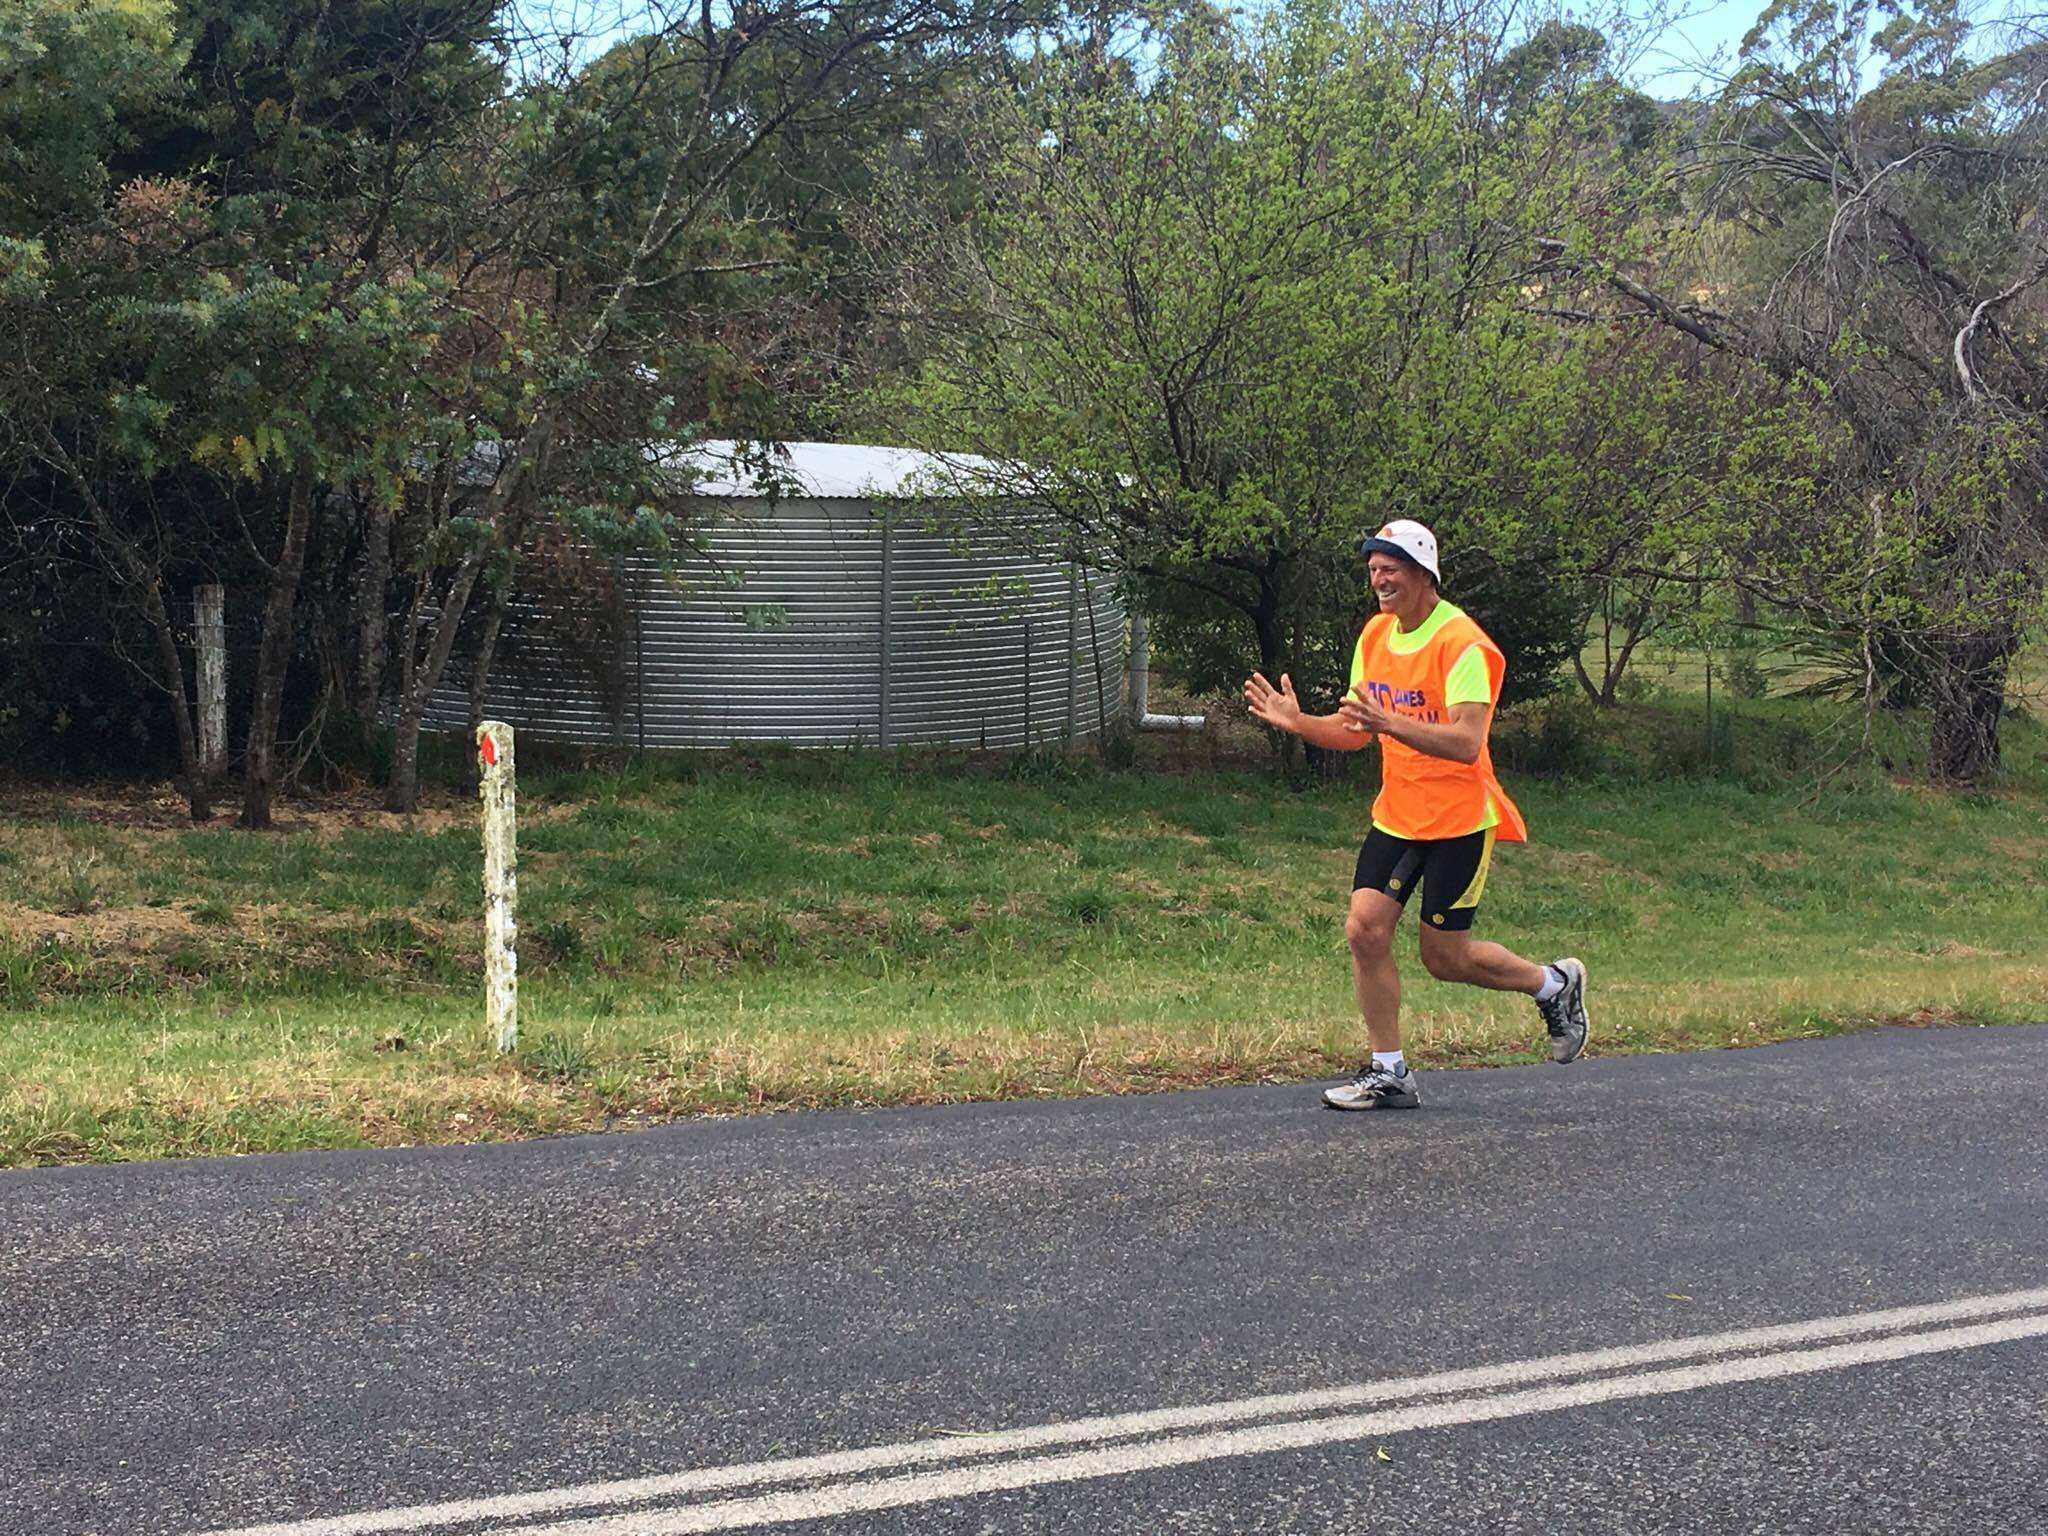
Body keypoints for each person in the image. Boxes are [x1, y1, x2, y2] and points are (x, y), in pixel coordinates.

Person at [1241, 518, 1589, 1110]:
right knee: (1365, 929)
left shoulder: (1463, 643)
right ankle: (1389, 1071)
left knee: (1444, 959)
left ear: (1424, 575)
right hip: (1398, 816)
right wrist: (1298, 723)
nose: (1379, 578)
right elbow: (1355, 732)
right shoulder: (1376, 637)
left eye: (1391, 568)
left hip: (1458, 820)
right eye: (1373, 568)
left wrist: (1390, 724)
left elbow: (1465, 742)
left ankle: (1553, 984)